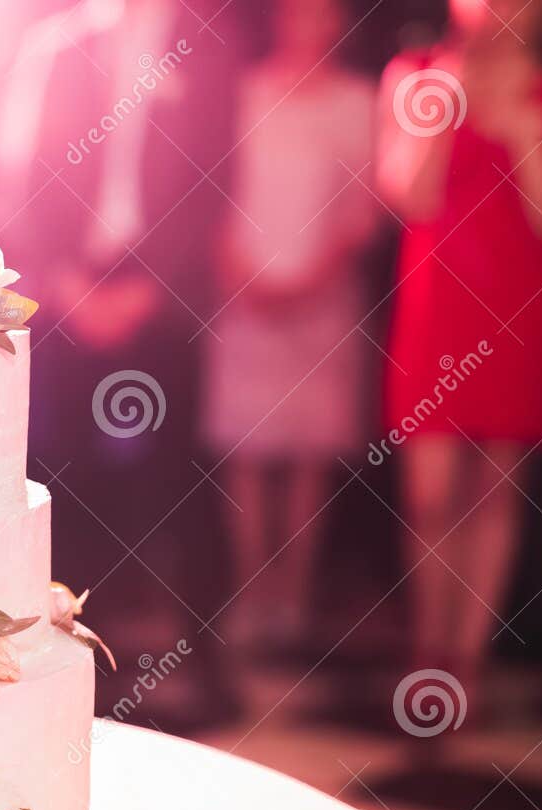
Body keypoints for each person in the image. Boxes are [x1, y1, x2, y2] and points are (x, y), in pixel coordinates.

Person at [0, 0, 240, 727]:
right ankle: (71, 664)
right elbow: (21, 174)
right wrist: (65, 285)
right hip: (69, 290)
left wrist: (152, 289)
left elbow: (216, 181)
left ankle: (203, 664)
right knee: (65, 479)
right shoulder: (58, 46)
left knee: (185, 480)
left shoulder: (207, 46)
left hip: (164, 295)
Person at [375, 0, 542, 690]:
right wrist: (447, 100)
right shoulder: (414, 75)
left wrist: (524, 127)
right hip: (436, 303)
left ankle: (466, 664)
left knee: (496, 491)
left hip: (517, 305)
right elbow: (409, 195)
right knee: (429, 492)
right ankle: (426, 649)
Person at [204, 0, 378, 654]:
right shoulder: (241, 92)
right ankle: (251, 594)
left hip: (323, 295)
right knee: (247, 448)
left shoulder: (359, 101)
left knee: (309, 451)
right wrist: (240, 273)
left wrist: (313, 279)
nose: (310, 22)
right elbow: (212, 190)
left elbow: (365, 206)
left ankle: (294, 601)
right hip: (242, 292)